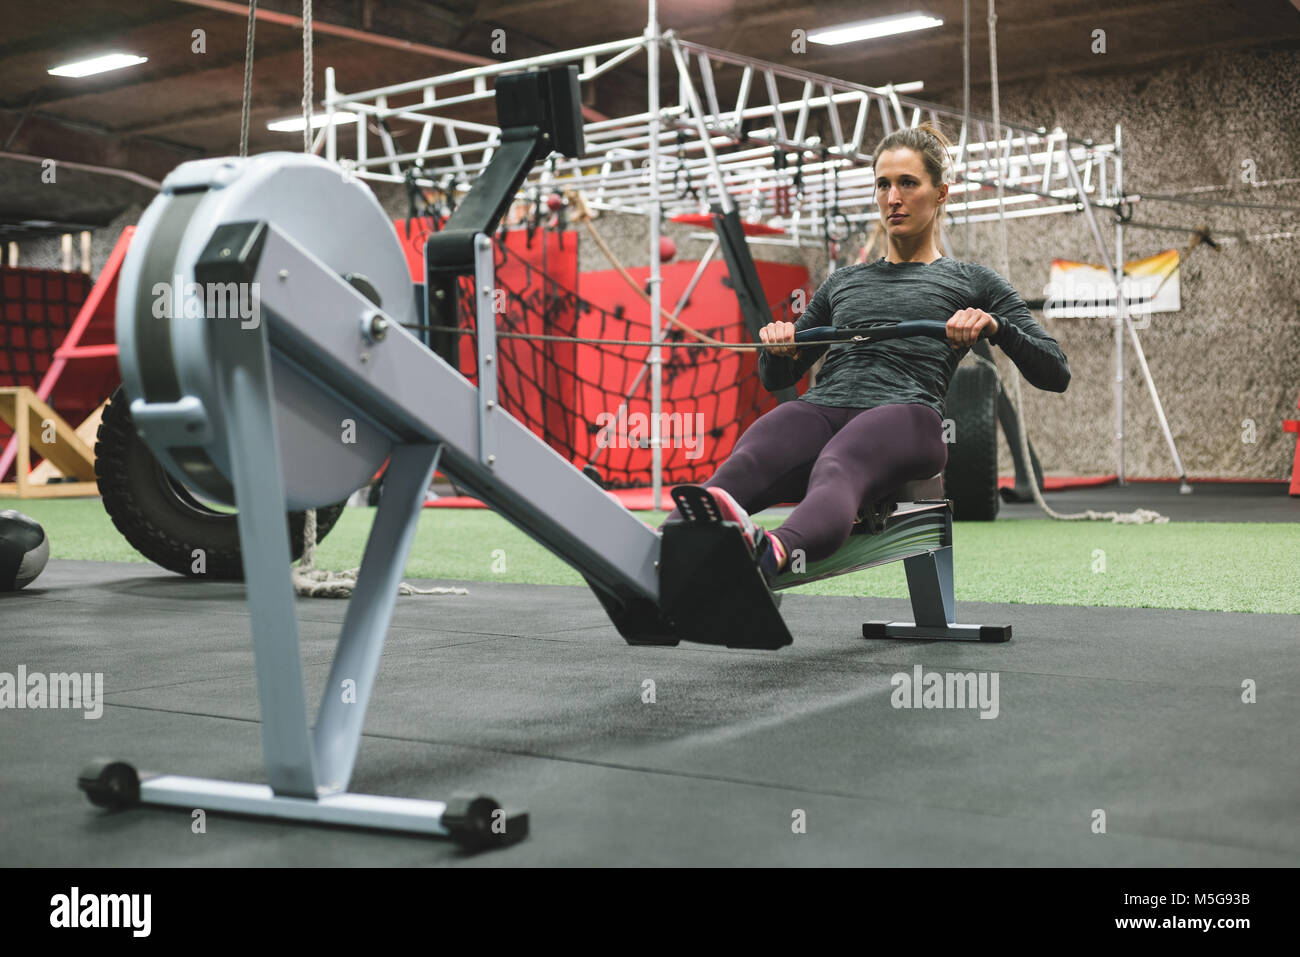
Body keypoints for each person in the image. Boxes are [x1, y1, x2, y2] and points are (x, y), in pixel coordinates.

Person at [666, 123, 1071, 584]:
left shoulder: (972, 281)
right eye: (883, 184)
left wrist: (994, 327)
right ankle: (667, 546)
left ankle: (770, 553)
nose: (892, 197)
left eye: (907, 183)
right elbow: (777, 377)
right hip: (825, 406)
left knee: (840, 462)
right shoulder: (844, 282)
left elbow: (1055, 370)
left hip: (908, 415)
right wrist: (780, 346)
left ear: (940, 194)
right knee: (753, 454)